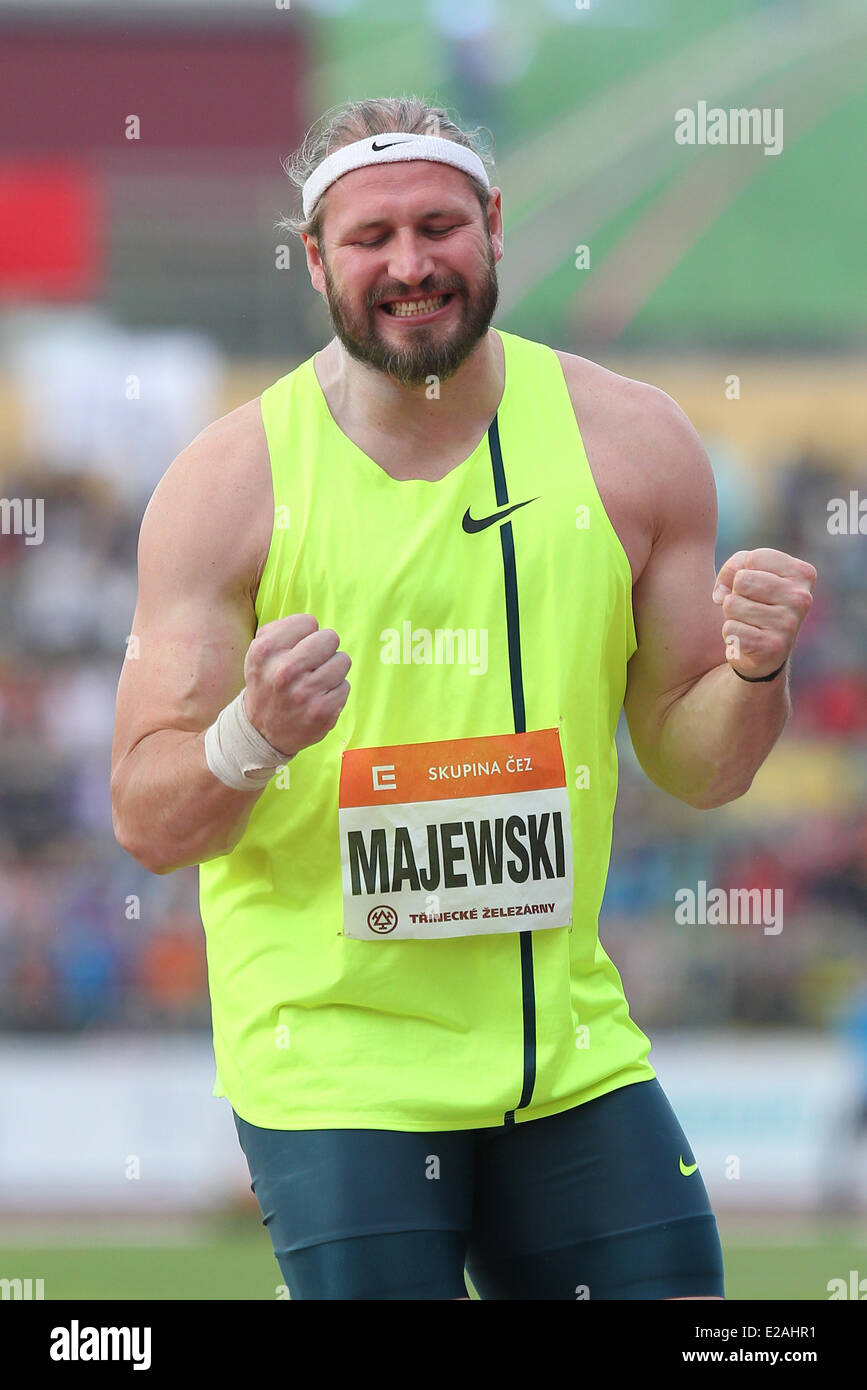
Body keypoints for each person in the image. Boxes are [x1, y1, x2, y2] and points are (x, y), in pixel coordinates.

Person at [110, 97, 817, 1300]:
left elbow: (701, 764)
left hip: (567, 1055)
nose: (410, 263)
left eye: (439, 225)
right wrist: (249, 735)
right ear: (315, 257)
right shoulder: (225, 486)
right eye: (371, 236)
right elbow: (148, 817)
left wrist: (754, 670)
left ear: (493, 226)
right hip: (335, 1066)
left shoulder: (631, 442)